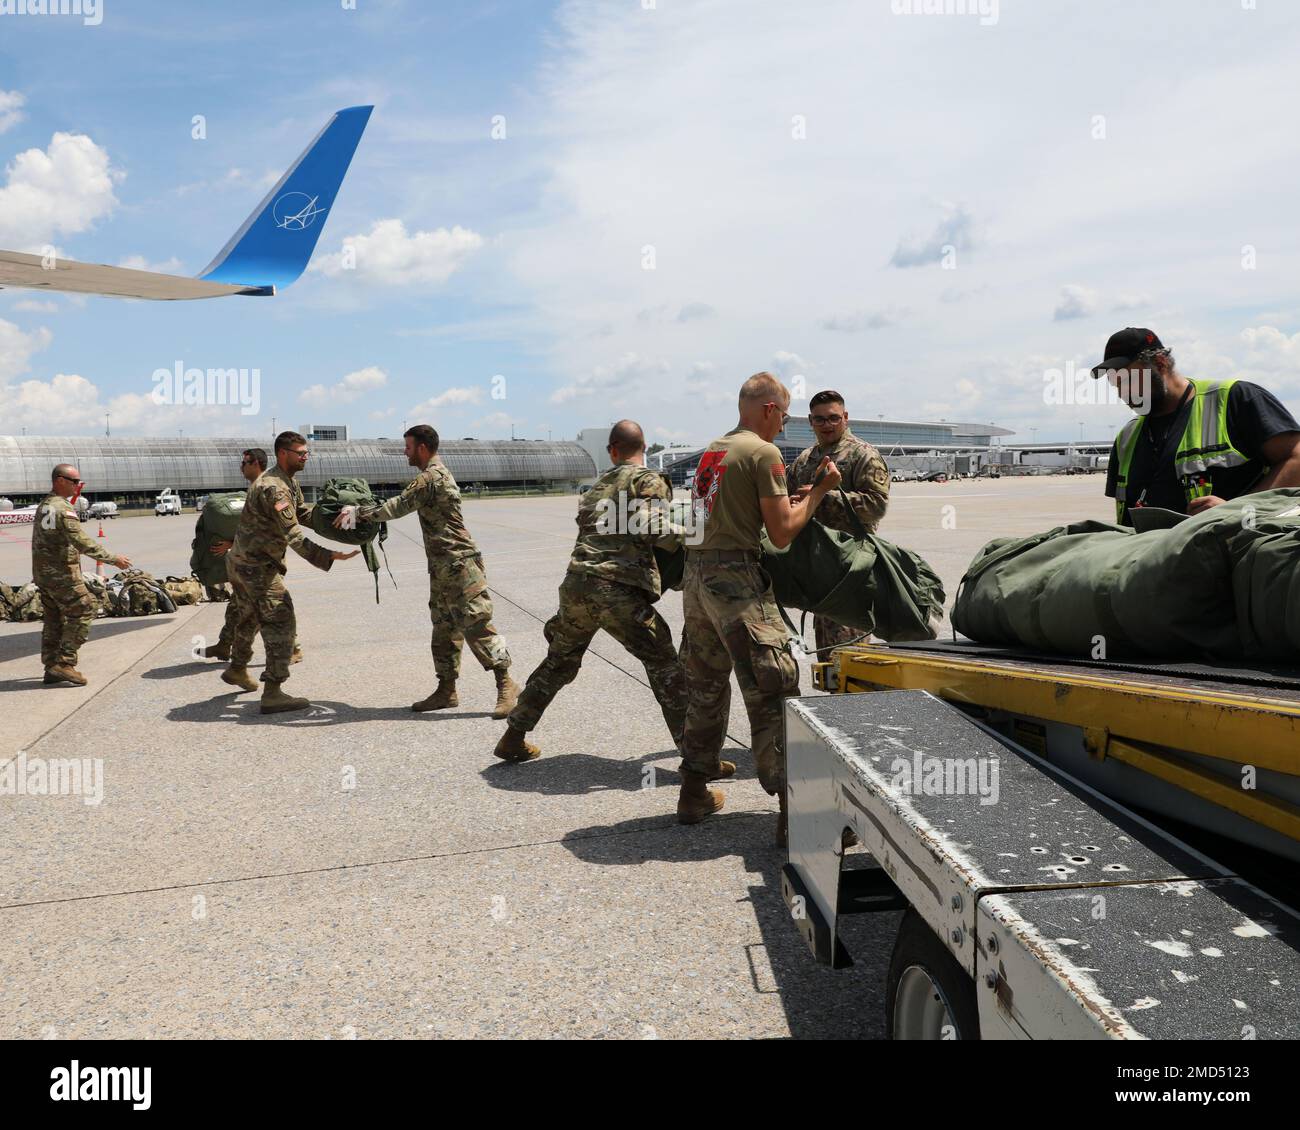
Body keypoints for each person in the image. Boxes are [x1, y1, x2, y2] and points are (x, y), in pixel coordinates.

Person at [679, 371, 841, 845]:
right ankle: (795, 812)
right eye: (785, 417)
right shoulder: (763, 452)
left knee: (706, 685)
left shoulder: (713, 449)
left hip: (697, 581)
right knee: (774, 685)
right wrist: (819, 491)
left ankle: (693, 791)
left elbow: (707, 518)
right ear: (769, 409)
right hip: (735, 581)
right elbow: (783, 532)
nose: (784, 428)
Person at [493, 420, 691, 763]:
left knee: (558, 662)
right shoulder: (648, 479)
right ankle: (697, 758)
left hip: (577, 585)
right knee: (664, 664)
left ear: (612, 451)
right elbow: (652, 525)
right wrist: (695, 534)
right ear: (644, 448)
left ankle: (513, 736)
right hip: (616, 589)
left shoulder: (597, 485)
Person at [335, 424, 519, 717]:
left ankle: (507, 683)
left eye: (407, 447)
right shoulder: (431, 476)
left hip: (460, 564)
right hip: (443, 566)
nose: (404, 452)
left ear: (422, 447)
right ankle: (447, 690)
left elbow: (397, 506)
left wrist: (357, 514)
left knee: (477, 624)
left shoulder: (430, 477)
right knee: (444, 629)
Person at [1093, 328, 1300, 525]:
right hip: (1154, 557)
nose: (1123, 392)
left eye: (1129, 380)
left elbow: (1296, 458)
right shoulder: (1126, 439)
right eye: (1116, 384)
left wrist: (1240, 510)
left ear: (1160, 363)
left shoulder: (1233, 400)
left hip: (1228, 554)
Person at [223, 432, 357, 713]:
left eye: (306, 452)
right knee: (281, 620)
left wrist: (336, 523)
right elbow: (293, 534)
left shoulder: (287, 482)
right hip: (256, 568)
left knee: (248, 617)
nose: (305, 457)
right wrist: (328, 555)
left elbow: (302, 514)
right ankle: (273, 691)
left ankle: (237, 668)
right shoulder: (275, 488)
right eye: (300, 452)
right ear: (283, 453)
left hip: (242, 563)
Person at [787, 389, 890, 652]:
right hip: (817, 569)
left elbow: (876, 506)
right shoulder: (804, 460)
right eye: (819, 419)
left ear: (845, 417)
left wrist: (822, 496)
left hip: (850, 568)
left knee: (847, 653)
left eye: (833, 418)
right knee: (826, 652)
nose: (827, 425)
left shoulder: (863, 455)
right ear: (811, 422)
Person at [202, 448, 302, 667]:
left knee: (270, 608)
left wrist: (233, 544)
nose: (241, 465)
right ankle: (224, 645)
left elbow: (273, 525)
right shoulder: (255, 487)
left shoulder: (269, 488)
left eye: (245, 461)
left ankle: (291, 649)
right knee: (237, 606)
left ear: (256, 463)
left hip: (264, 561)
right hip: (248, 561)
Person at [32, 464, 130, 686]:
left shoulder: (46, 504)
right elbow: (81, 541)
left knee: (54, 620)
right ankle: (65, 663)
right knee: (84, 607)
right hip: (60, 575)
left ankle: (51, 667)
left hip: (44, 575)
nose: (78, 486)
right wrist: (113, 558)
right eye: (74, 481)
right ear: (59, 480)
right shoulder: (63, 509)